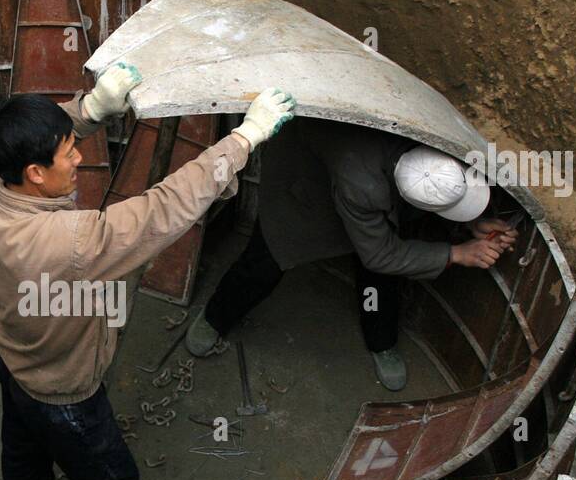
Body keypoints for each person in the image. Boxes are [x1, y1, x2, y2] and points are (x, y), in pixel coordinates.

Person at [0, 65, 294, 480]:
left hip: (14, 355)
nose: (78, 156)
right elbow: (162, 210)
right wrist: (244, 138)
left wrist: (91, 110)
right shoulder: (68, 241)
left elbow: (47, 143)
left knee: (22, 439)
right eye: (67, 152)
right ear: (36, 173)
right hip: (63, 385)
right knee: (107, 471)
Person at [186, 116, 519, 388]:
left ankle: (381, 341)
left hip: (367, 175)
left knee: (380, 281)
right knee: (267, 258)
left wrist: (471, 222)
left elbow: (433, 186)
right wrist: (459, 253)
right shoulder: (365, 188)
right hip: (305, 190)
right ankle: (216, 317)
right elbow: (381, 255)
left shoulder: (432, 149)